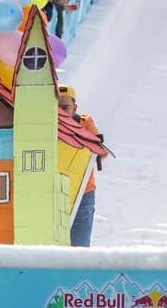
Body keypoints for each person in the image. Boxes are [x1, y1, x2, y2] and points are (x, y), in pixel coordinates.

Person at [58, 85, 108, 247]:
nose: (61, 112)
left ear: (75, 108)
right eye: (57, 107)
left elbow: (102, 151)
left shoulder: (85, 123)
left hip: (82, 191)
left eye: (65, 107)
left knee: (79, 245)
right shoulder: (44, 123)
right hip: (55, 190)